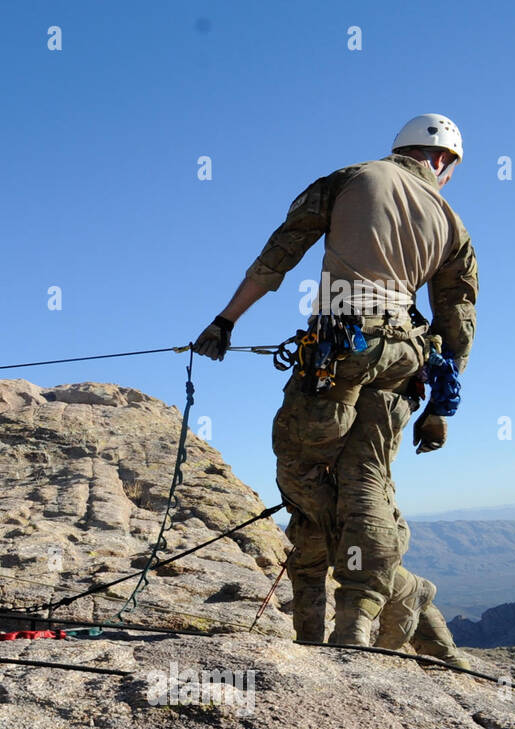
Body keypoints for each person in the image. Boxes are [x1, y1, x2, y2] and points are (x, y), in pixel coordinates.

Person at [194, 114, 477, 647]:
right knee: (364, 478)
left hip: (342, 350)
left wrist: (226, 320)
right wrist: (441, 407)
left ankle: (359, 606)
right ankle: (376, 608)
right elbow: (456, 319)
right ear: (443, 160)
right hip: (403, 360)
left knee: (299, 468)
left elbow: (279, 254)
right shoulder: (452, 224)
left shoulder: (350, 178)